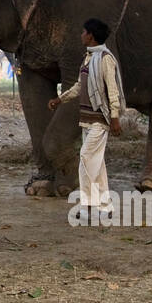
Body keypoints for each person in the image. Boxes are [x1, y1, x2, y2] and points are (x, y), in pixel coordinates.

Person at [48, 18, 125, 219]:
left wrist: (115, 117)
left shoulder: (105, 58)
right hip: (87, 120)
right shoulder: (88, 58)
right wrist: (60, 99)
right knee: (96, 163)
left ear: (90, 36)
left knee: (85, 157)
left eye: (83, 32)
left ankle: (87, 205)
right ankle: (106, 206)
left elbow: (113, 90)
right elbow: (79, 87)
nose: (81, 35)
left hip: (100, 120)